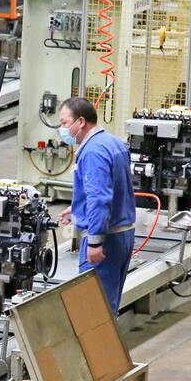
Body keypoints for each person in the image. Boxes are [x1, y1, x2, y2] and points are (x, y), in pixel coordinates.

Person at [57, 97, 136, 314]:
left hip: (107, 240)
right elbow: (115, 190)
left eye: (64, 123)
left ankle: (101, 349)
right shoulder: (113, 143)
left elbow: (99, 198)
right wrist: (77, 209)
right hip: (123, 234)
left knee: (95, 313)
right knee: (107, 307)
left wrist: (94, 242)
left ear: (80, 122)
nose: (62, 129)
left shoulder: (92, 152)